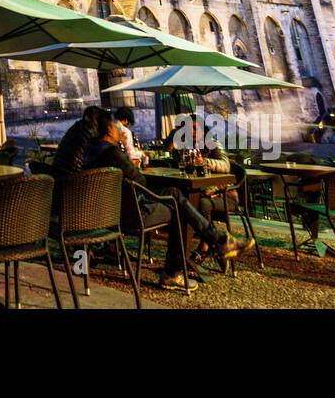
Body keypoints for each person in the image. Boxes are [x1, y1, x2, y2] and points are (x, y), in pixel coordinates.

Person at [81, 109, 252, 290]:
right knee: (179, 206)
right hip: (130, 214)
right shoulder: (112, 153)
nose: (121, 130)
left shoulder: (90, 149)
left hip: (104, 212)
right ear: (109, 129)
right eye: (117, 127)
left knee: (176, 196)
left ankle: (216, 241)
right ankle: (174, 272)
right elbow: (140, 182)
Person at [51, 106, 101, 177]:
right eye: (96, 119)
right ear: (87, 118)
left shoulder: (77, 127)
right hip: (72, 175)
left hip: (58, 171)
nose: (98, 123)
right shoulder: (85, 131)